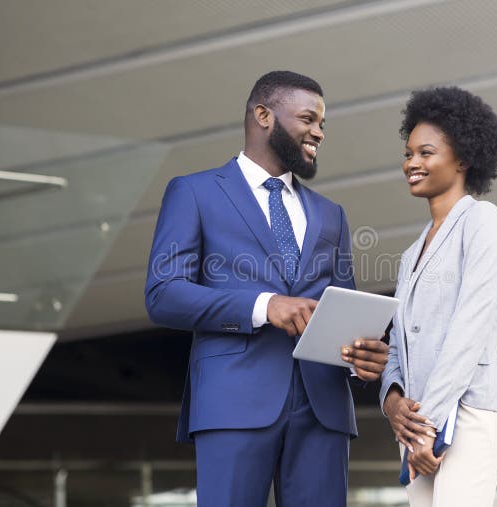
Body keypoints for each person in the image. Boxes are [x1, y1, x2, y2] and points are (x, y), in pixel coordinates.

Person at [145, 71, 389, 507]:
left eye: (322, 124)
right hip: (233, 403)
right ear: (264, 115)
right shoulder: (194, 192)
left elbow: (343, 308)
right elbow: (164, 293)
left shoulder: (330, 213)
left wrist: (360, 357)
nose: (319, 132)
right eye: (308, 119)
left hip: (323, 409)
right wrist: (263, 305)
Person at [380, 87, 497, 507]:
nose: (412, 163)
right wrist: (393, 402)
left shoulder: (483, 221)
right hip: (418, 426)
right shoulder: (411, 255)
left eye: (426, 153)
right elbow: (398, 345)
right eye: (408, 154)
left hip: (469, 413)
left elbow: (469, 330)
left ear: (463, 159)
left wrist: (428, 425)